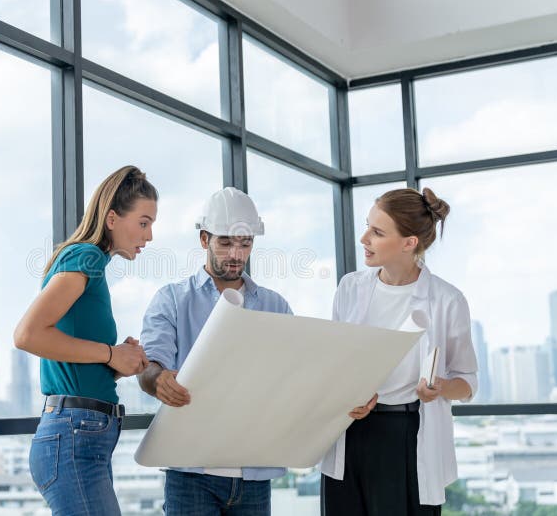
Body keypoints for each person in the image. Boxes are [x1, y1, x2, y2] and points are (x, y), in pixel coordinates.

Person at [320, 187, 478, 516]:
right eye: (367, 226)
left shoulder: (447, 300)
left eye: (377, 232)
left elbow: (467, 381)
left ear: (409, 243)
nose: (364, 238)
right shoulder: (350, 287)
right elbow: (334, 361)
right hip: (348, 430)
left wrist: (439, 389)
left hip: (407, 435)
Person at [138, 187, 292, 515]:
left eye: (245, 243)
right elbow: (150, 366)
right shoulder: (172, 300)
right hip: (191, 472)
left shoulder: (274, 305)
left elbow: (294, 374)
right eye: (225, 242)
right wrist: (159, 379)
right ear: (204, 239)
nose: (236, 254)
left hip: (255, 472)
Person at [14, 165, 156, 515]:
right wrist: (110, 353)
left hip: (83, 437)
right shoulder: (86, 256)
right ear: (111, 218)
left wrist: (120, 360)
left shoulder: (90, 263)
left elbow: (70, 354)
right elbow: (27, 335)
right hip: (75, 437)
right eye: (143, 222)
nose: (150, 235)